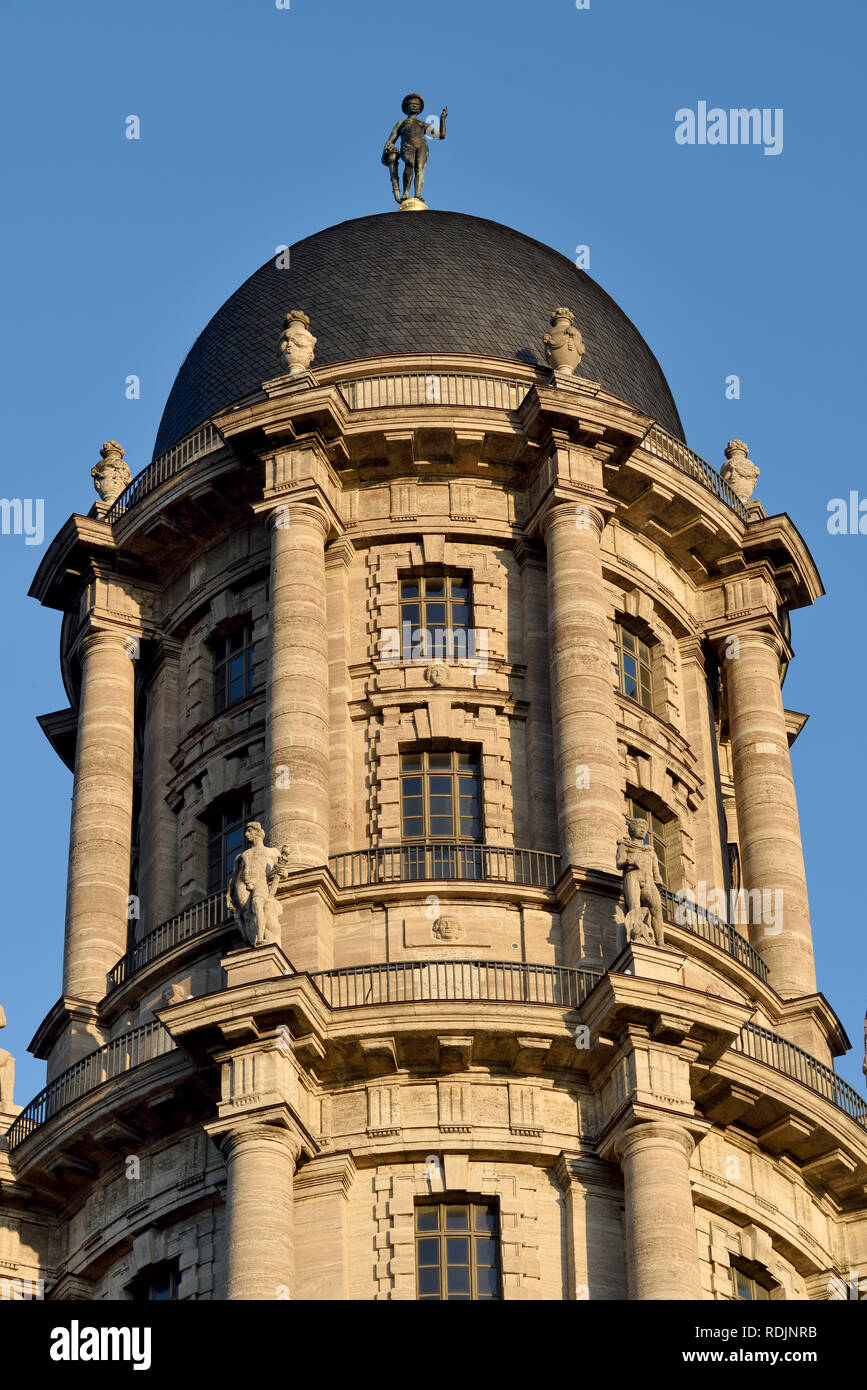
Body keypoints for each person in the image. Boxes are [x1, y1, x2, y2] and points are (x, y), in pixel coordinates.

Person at [382, 93, 447, 205]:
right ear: (406, 108)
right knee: (409, 164)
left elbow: (441, 135)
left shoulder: (422, 124)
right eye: (411, 104)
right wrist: (386, 151)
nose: (414, 106)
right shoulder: (401, 123)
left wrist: (442, 119)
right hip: (407, 145)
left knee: (420, 168)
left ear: (420, 109)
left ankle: (418, 194)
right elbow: (391, 139)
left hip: (422, 146)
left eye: (416, 104)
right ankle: (406, 191)